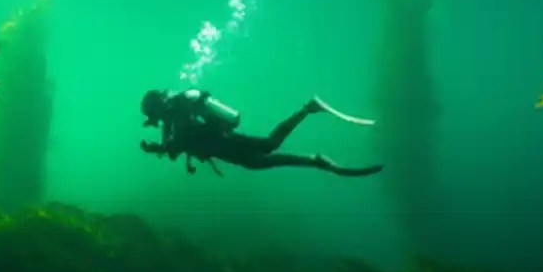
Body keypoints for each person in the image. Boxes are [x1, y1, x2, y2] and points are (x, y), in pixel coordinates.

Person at [139, 89, 383, 177]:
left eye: (153, 115)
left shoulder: (175, 117)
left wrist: (155, 148)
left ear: (156, 109)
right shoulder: (174, 116)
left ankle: (317, 159)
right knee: (268, 146)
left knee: (263, 155)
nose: (155, 119)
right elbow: (175, 146)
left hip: (226, 145)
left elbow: (175, 148)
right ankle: (309, 112)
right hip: (226, 143)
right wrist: (159, 145)